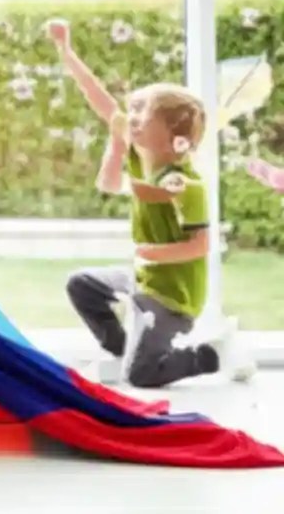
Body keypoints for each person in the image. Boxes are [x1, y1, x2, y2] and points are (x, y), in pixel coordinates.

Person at [48, 19, 254, 386]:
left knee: (141, 377)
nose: (132, 118)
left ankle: (211, 355)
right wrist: (66, 51)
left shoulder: (187, 186)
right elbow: (100, 101)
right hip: (143, 279)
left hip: (173, 297)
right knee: (81, 284)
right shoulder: (139, 153)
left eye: (143, 112)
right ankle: (124, 348)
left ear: (173, 136)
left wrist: (153, 253)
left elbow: (201, 244)